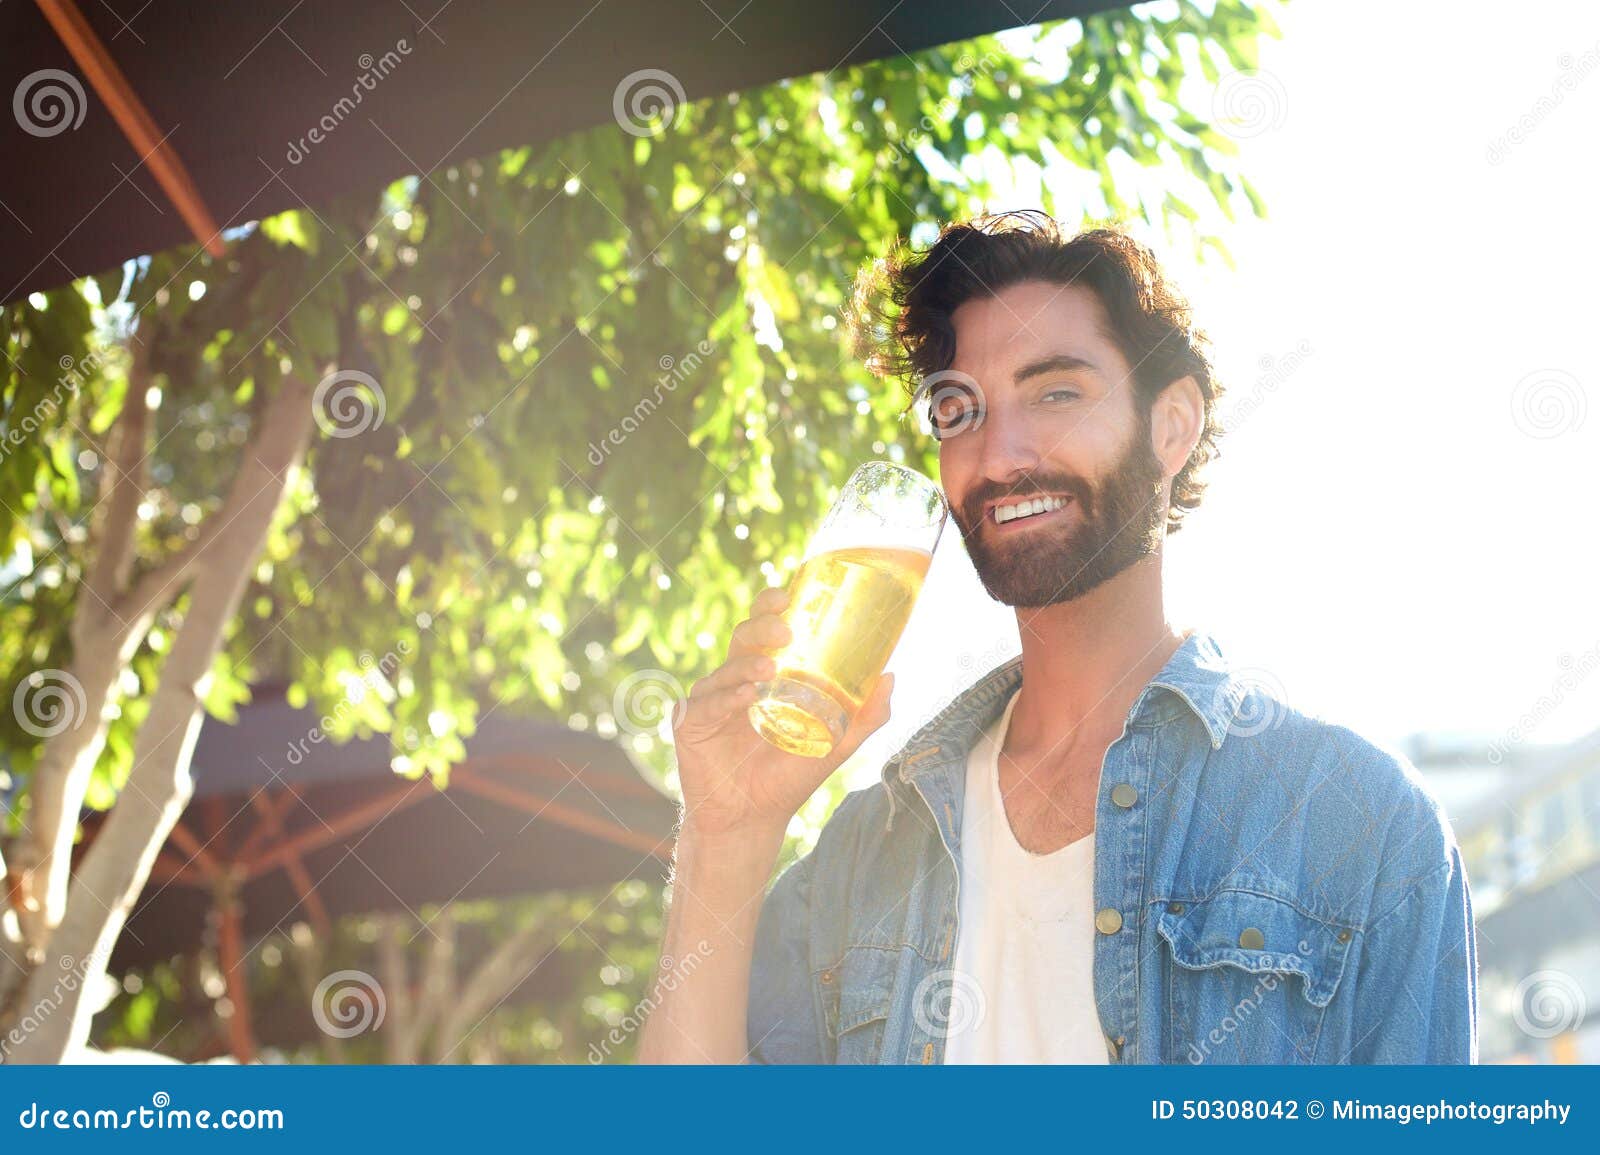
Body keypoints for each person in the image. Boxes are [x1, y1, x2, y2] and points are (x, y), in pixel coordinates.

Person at [636, 211, 1477, 1064]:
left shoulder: (1360, 829)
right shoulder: (860, 863)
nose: (998, 454)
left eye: (1055, 392)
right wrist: (726, 834)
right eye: (959, 412)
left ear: (1171, 425)